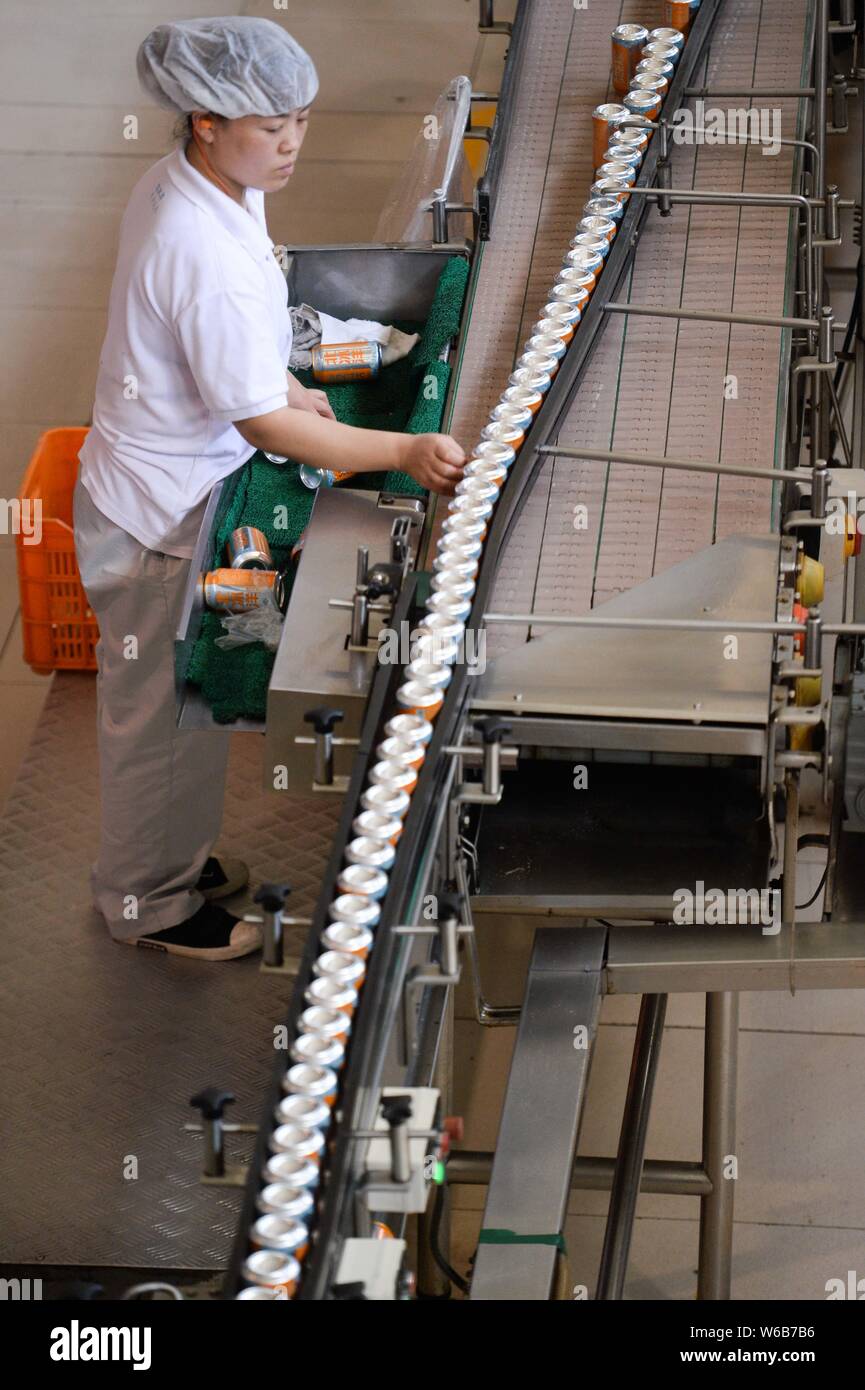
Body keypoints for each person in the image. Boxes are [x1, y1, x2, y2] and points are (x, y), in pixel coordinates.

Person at [73, 16, 466, 961]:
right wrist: (404, 450)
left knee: (176, 722)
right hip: (156, 518)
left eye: (299, 119)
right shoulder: (194, 244)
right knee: (161, 725)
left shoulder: (208, 185)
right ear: (203, 119)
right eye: (267, 126)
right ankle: (147, 903)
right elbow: (258, 427)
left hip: (172, 480)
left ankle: (169, 855)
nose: (290, 143)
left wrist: (285, 382)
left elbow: (233, 371)